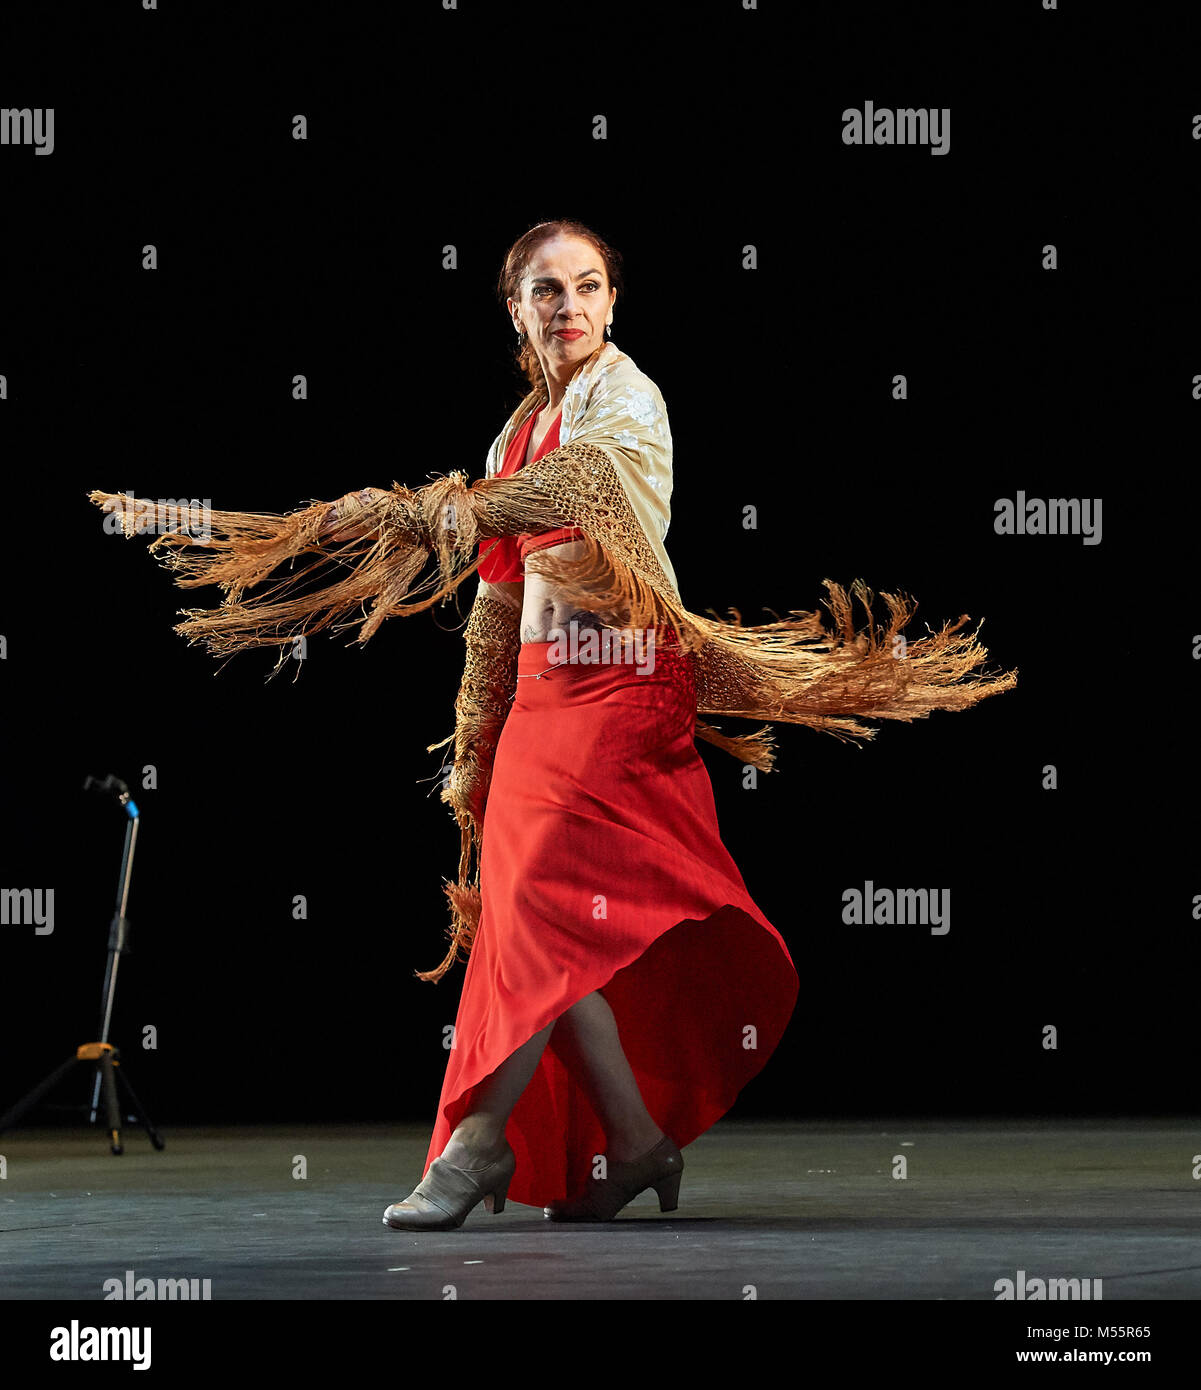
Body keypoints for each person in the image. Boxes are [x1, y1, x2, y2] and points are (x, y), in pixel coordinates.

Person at [88, 219, 1018, 1229]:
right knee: (529, 915)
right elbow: (495, 603)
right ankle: (635, 1142)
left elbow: (580, 488)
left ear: (612, 302)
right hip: (542, 698)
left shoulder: (628, 398)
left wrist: (424, 508)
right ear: (515, 309)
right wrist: (476, 733)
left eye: (586, 287)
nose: (567, 306)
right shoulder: (514, 430)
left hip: (619, 688)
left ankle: (480, 1141)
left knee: (532, 908)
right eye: (546, 290)